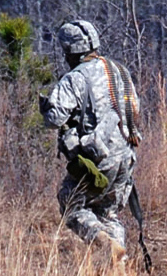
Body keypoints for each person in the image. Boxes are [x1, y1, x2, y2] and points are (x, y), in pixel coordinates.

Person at [39, 19, 143, 260]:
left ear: (69, 51)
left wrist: (45, 106)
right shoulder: (120, 71)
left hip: (97, 161)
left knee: (70, 205)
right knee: (109, 214)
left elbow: (54, 118)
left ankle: (103, 242)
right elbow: (134, 109)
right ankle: (118, 273)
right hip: (126, 157)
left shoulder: (75, 78)